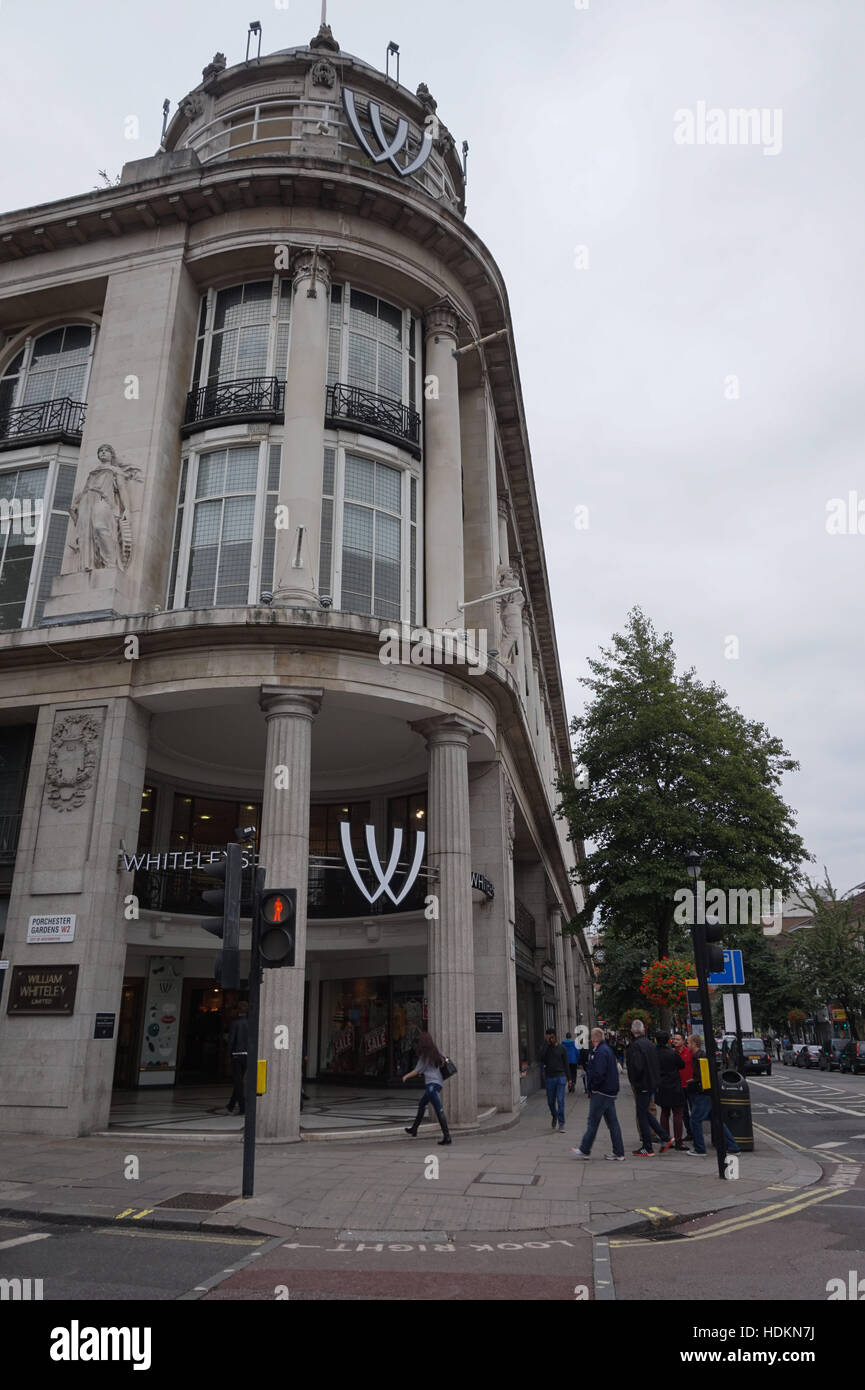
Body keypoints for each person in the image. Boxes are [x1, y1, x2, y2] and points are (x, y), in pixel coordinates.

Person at [571, 1027, 625, 1161]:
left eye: (591, 1038)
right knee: (613, 1123)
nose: (590, 1040)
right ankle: (619, 1152)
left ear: (594, 1039)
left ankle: (585, 1149)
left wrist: (593, 1088)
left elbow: (599, 1073)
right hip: (609, 1092)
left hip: (601, 1092)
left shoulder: (600, 1052)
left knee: (593, 1122)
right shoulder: (606, 1050)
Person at [685, 1034, 741, 1157]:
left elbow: (704, 1077)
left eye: (688, 1043)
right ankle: (733, 1147)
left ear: (695, 1044)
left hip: (704, 1094)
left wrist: (693, 1081)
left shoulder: (700, 1057)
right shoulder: (699, 1055)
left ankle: (700, 1149)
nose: (687, 1045)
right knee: (717, 1120)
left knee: (695, 1120)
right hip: (709, 1093)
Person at [626, 1019, 672, 1156]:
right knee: (645, 1112)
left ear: (632, 1031)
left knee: (642, 1115)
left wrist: (635, 1081)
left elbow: (637, 1067)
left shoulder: (635, 1046)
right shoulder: (651, 1044)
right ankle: (664, 1136)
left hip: (642, 1084)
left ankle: (648, 1146)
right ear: (643, 1030)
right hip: (651, 1083)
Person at [402, 1031, 452, 1145]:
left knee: (439, 1109)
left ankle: (447, 1137)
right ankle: (414, 1129)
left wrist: (406, 1076)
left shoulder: (424, 1056)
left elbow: (417, 1070)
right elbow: (443, 1061)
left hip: (431, 1086)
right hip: (438, 1084)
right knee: (422, 1103)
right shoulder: (435, 1052)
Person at [656, 1033, 688, 1150]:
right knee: (678, 1113)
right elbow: (682, 1065)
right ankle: (679, 1141)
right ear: (667, 1041)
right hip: (674, 1085)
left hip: (661, 1085)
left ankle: (666, 1139)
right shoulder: (672, 1053)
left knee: (664, 1113)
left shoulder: (655, 1053)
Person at [540, 1027, 569, 1133]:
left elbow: (566, 1064)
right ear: (546, 1036)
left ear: (555, 1036)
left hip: (560, 1077)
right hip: (550, 1078)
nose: (551, 1037)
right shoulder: (545, 1047)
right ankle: (554, 1115)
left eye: (552, 1035)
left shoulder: (562, 1048)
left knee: (560, 1101)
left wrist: (569, 1079)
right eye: (549, 1035)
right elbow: (541, 1058)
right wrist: (547, 1044)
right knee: (550, 1102)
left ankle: (561, 1123)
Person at [226, 1002, 249, 1115]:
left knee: (238, 1082)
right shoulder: (251, 1023)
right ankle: (231, 1104)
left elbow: (231, 1041)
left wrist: (228, 1055)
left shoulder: (235, 1023)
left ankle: (242, 1106)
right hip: (247, 1055)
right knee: (239, 1082)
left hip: (236, 1054)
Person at [673, 1031, 694, 1139]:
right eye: (674, 1039)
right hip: (679, 1086)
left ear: (683, 1041)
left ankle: (695, 1132)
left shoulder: (689, 1052)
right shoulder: (673, 1053)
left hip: (690, 1085)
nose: (675, 1041)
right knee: (683, 1111)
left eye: (678, 1039)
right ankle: (690, 1132)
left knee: (693, 1110)